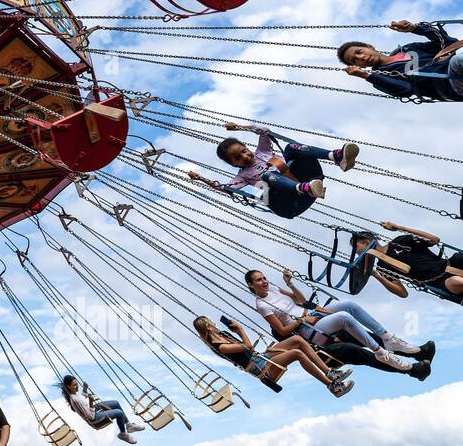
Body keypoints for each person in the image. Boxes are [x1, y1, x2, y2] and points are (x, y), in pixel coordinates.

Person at [245, 269, 433, 376]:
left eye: (264, 278)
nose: (264, 282)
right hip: (308, 329)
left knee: (348, 305)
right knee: (344, 318)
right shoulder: (262, 305)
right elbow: (282, 331)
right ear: (251, 285)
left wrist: (290, 284)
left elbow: (300, 301)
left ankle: (388, 338)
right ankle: (380, 351)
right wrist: (303, 319)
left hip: (311, 314)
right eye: (258, 280)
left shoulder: (274, 290)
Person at [187, 122, 358, 204]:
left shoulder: (262, 151)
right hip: (288, 195)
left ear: (247, 148)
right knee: (267, 176)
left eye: (244, 151)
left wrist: (240, 127)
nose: (245, 156)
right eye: (238, 158)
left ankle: (335, 157)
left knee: (290, 147)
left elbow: (264, 131)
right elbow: (224, 188)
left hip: (302, 173)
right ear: (234, 164)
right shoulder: (243, 177)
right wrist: (202, 179)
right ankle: (305, 189)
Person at [192, 316, 353, 397]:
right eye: (210, 322)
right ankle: (332, 386)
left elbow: (248, 349)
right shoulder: (220, 347)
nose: (214, 322)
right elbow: (246, 346)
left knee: (296, 340)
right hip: (260, 368)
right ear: (208, 326)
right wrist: (240, 329)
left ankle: (329, 372)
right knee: (296, 353)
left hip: (260, 357)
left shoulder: (224, 336)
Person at [339, 20, 463, 102]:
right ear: (359, 66)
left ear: (370, 47)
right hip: (451, 84)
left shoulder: (409, 49)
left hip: (457, 68)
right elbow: (405, 90)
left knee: (458, 58)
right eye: (355, 60)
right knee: (458, 59)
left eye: (359, 52)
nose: (361, 57)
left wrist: (415, 28)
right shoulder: (379, 77)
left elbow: (450, 44)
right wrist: (366, 76)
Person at [352, 222, 463, 299]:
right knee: (455, 282)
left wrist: (400, 228)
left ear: (366, 242)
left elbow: (434, 240)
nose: (355, 252)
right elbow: (403, 293)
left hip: (449, 264)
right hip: (438, 282)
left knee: (459, 256)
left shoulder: (400, 241)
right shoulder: (382, 267)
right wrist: (376, 275)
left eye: (355, 247)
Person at [59, 375, 144, 443]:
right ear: (68, 386)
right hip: (93, 419)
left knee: (115, 403)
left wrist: (85, 388)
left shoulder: (74, 394)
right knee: (119, 413)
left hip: (92, 411)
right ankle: (123, 434)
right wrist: (91, 402)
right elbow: (90, 416)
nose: (77, 387)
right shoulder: (75, 400)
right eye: (74, 385)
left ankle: (128, 425)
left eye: (77, 384)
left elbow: (82, 398)